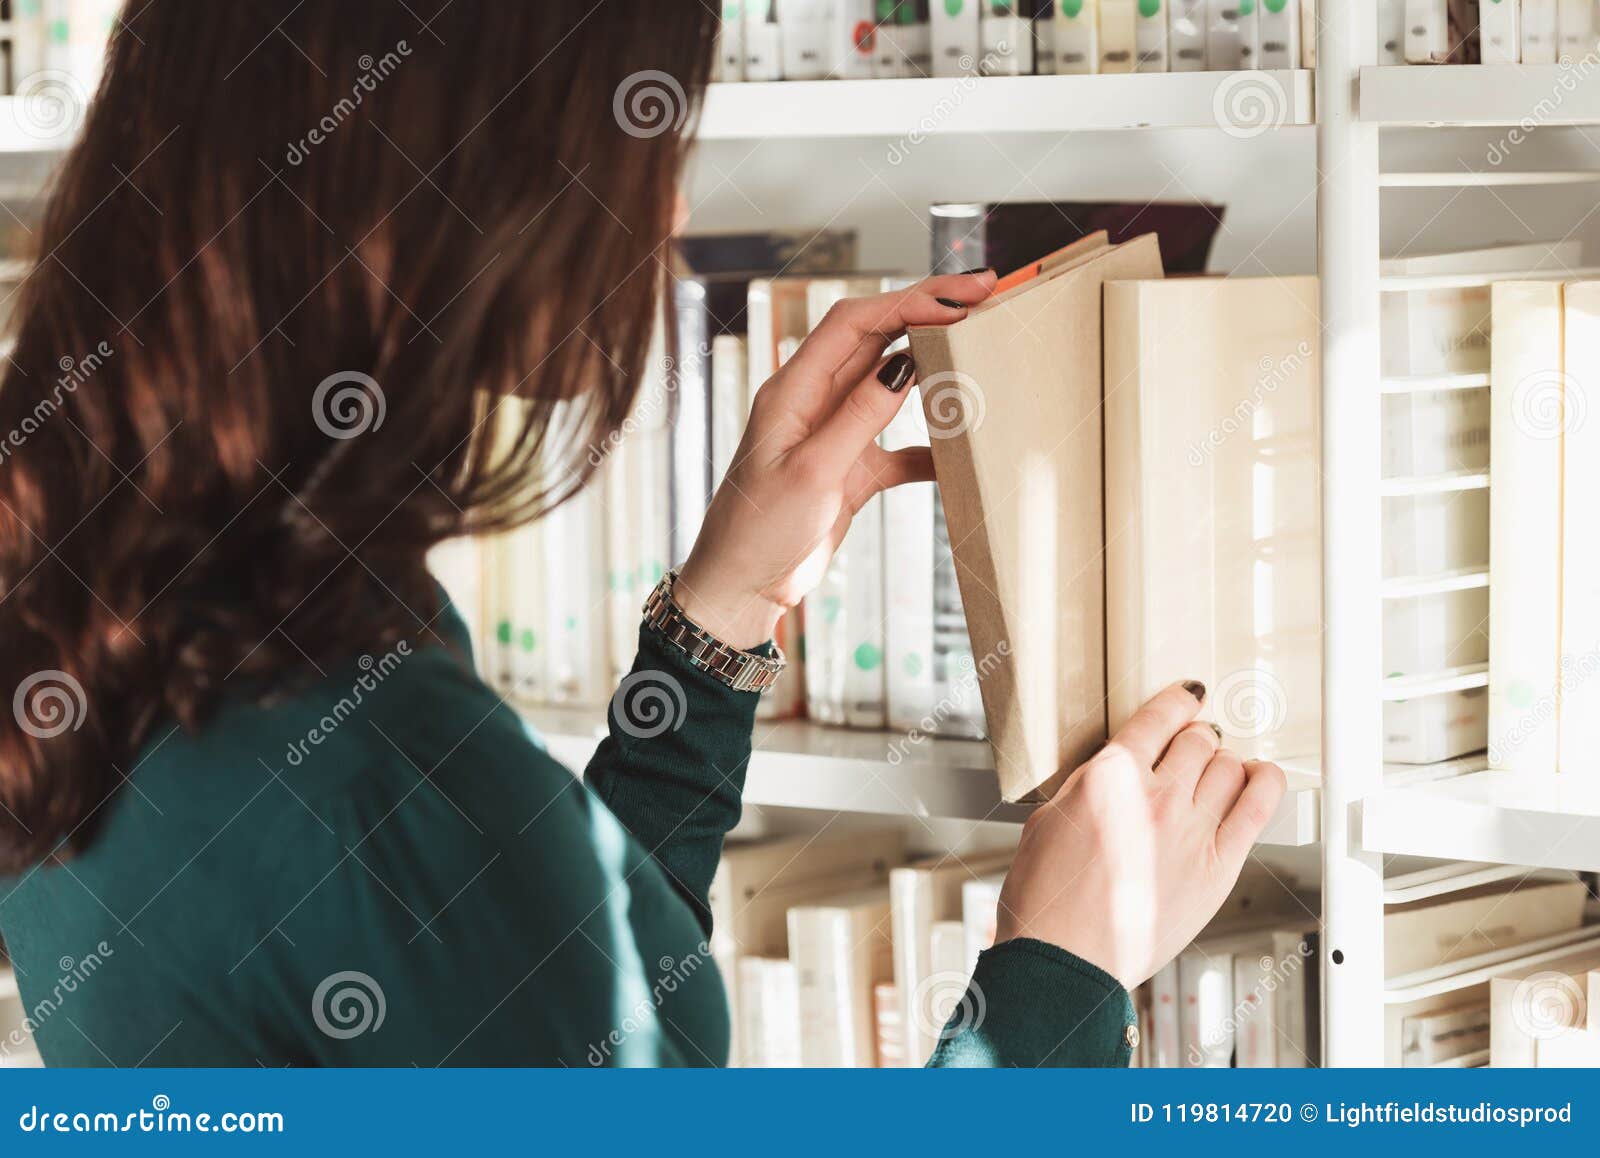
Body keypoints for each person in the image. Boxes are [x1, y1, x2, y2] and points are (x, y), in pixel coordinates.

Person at [0, 2, 1285, 1067]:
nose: (663, 213)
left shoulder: (117, 599)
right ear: (476, 178)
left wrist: (717, 623)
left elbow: (572, 1016)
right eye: (649, 136)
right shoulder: (370, 760)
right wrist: (1061, 970)